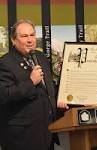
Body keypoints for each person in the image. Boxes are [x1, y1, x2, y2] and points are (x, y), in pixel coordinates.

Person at [0, 20, 57, 150]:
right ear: (13, 40)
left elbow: (48, 89)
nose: (30, 40)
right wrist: (30, 82)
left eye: (32, 35)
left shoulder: (41, 57)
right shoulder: (4, 63)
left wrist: (59, 100)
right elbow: (4, 95)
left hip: (46, 133)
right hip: (21, 138)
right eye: (24, 36)